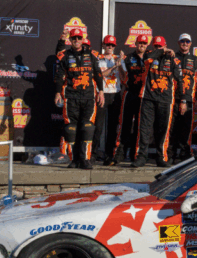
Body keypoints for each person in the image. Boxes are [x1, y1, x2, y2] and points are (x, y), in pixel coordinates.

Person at [54, 28, 105, 169]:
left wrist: (101, 91)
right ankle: (74, 159)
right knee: (71, 129)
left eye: (78, 38)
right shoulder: (65, 55)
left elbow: (98, 74)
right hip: (71, 97)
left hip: (89, 97)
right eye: (73, 38)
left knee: (87, 128)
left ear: (82, 39)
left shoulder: (93, 55)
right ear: (70, 40)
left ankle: (85, 159)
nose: (76, 40)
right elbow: (59, 76)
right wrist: (58, 93)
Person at [133, 36, 183, 168]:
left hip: (165, 100)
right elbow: (145, 58)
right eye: (156, 46)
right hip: (148, 98)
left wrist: (182, 99)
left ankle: (161, 157)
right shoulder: (149, 57)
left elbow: (179, 79)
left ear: (165, 45)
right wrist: (162, 51)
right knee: (144, 129)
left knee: (163, 130)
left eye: (160, 46)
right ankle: (141, 157)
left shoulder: (173, 59)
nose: (158, 49)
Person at [108, 35, 148, 166]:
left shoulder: (150, 58)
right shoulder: (128, 58)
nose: (141, 45)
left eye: (144, 43)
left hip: (144, 96)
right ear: (135, 44)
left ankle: (135, 155)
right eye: (139, 43)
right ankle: (118, 155)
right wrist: (119, 66)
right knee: (124, 124)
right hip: (130, 93)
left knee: (139, 126)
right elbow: (124, 79)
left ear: (147, 45)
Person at [168, 33, 197, 164]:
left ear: (191, 43)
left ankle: (184, 155)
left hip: (189, 99)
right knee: (172, 128)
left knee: (186, 128)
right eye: (182, 41)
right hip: (172, 98)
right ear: (178, 42)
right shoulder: (172, 57)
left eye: (187, 41)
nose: (185, 43)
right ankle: (170, 155)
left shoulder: (195, 60)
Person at [95, 35, 125, 165]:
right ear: (103, 45)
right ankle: (93, 154)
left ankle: (109, 156)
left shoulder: (118, 59)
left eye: (112, 45)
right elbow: (100, 75)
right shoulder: (98, 58)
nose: (110, 48)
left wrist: (119, 65)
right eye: (108, 45)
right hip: (102, 94)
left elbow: (124, 78)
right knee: (98, 126)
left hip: (115, 94)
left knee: (113, 127)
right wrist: (113, 67)